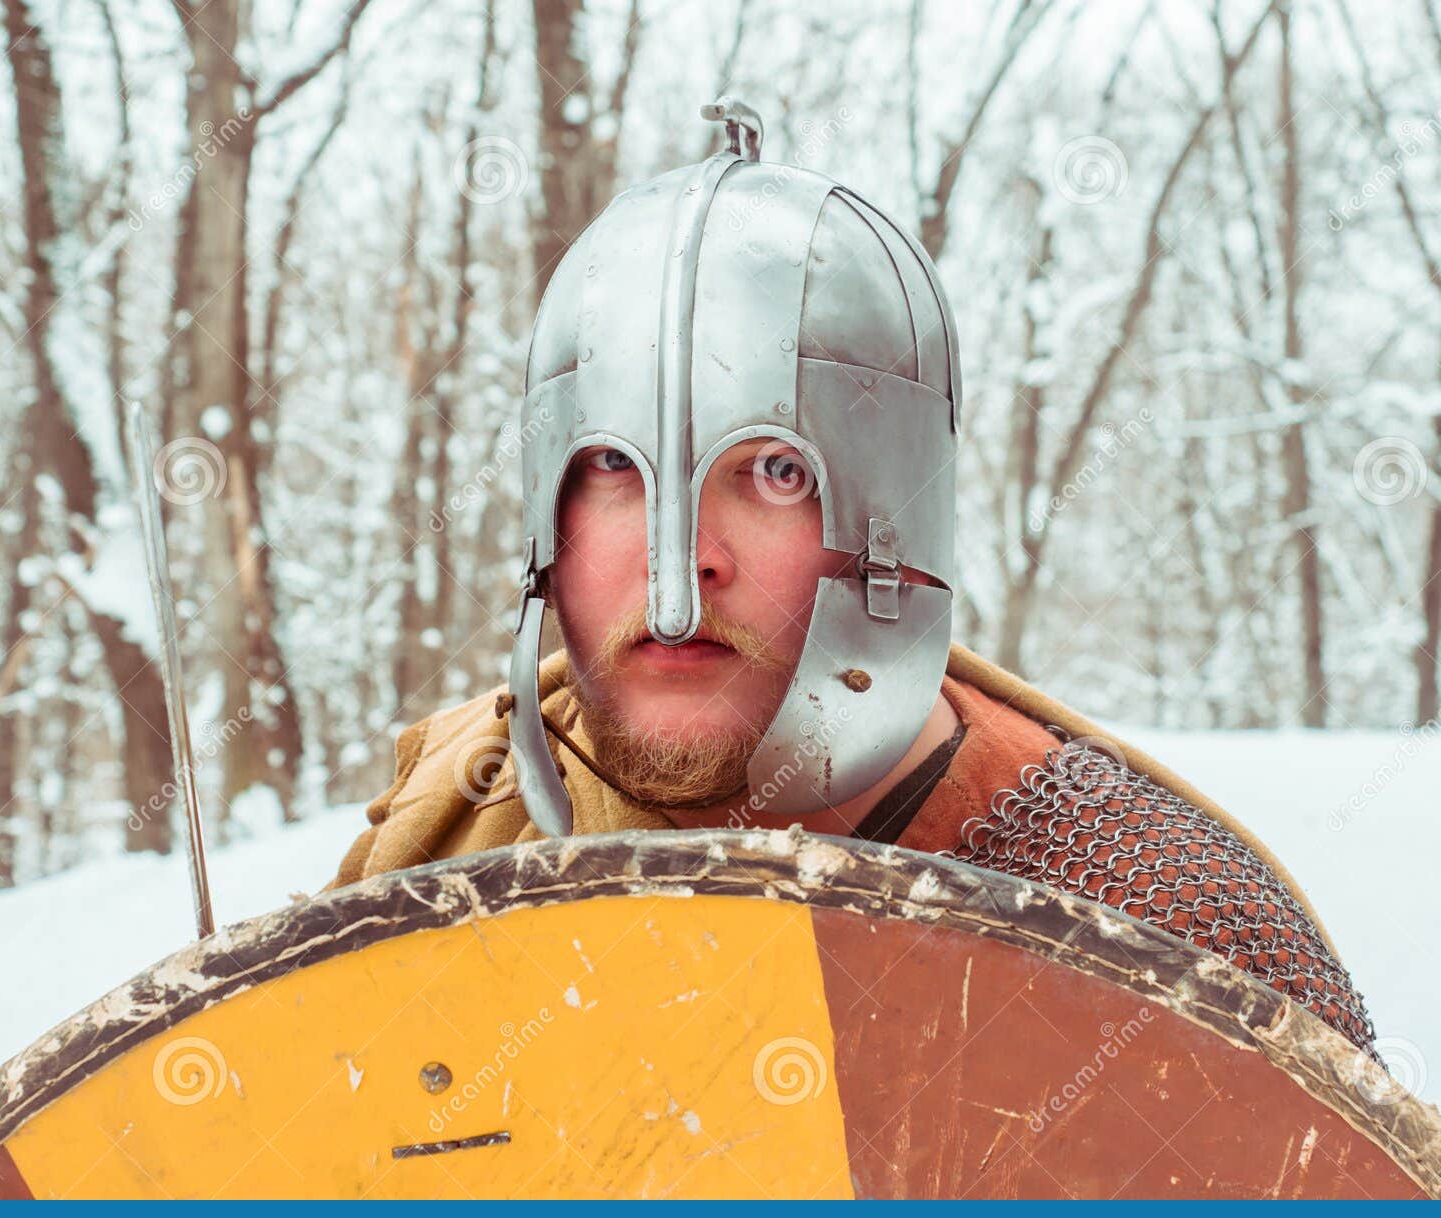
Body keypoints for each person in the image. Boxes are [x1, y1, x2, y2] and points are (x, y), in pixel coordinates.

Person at [328, 99, 1374, 1055]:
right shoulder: (442, 862)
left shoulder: (1151, 927)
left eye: (775, 472)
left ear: (895, 514)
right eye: (614, 468)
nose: (683, 557)